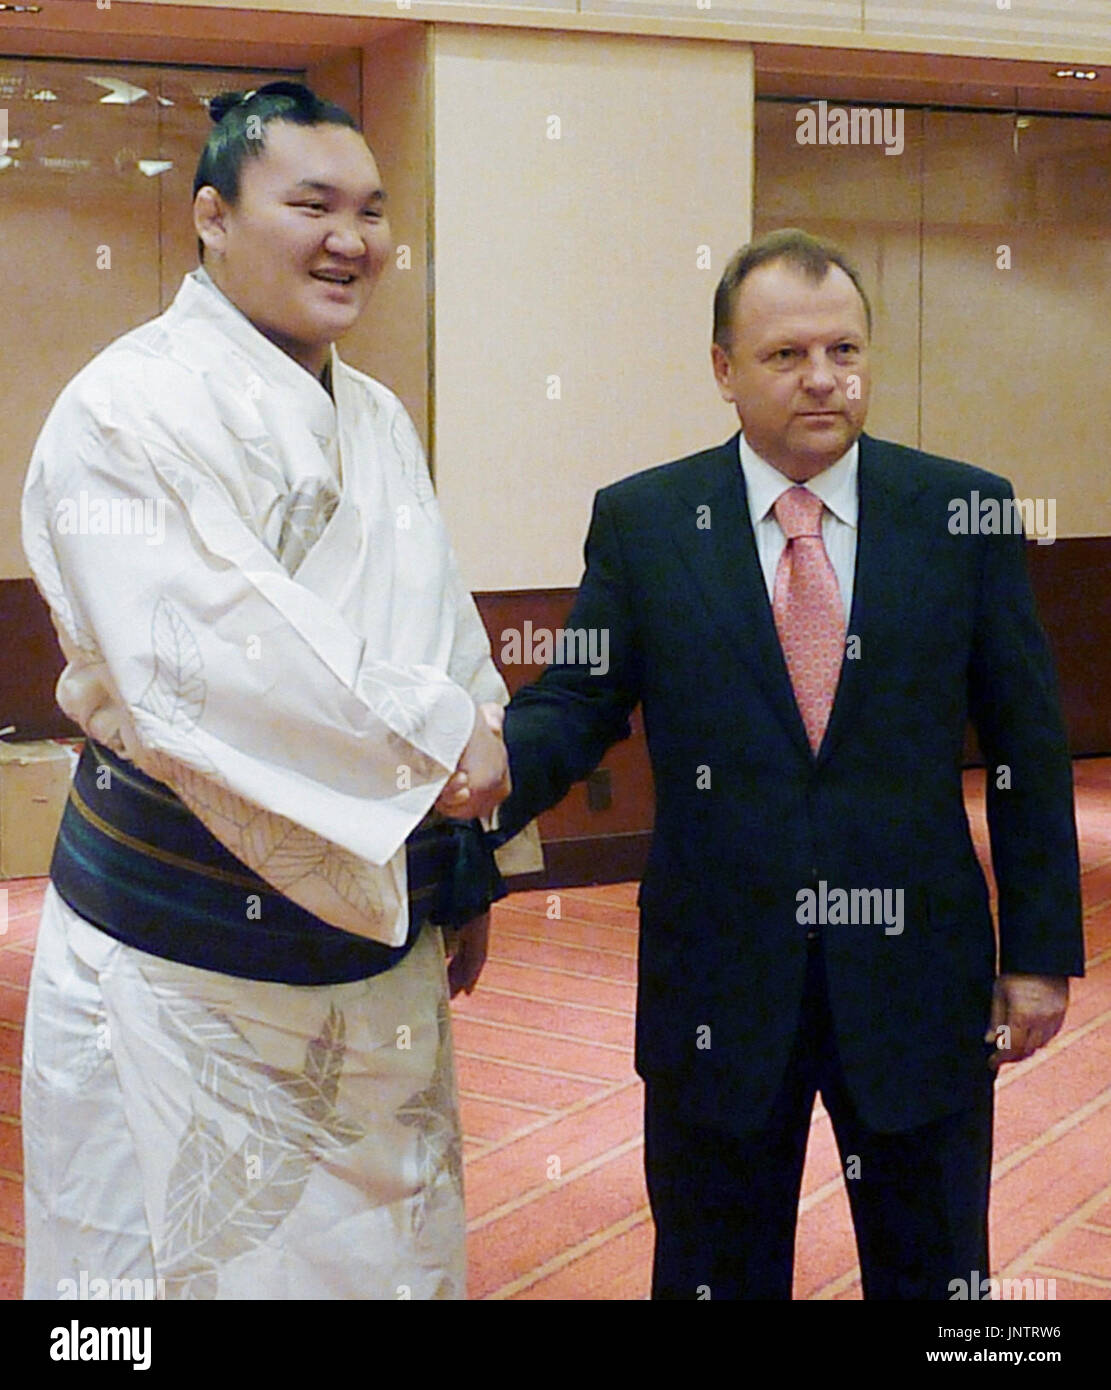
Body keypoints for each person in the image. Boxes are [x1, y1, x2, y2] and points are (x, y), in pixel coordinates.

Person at [490, 227, 1085, 1300]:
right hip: (718, 978)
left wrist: (1041, 952)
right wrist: (473, 782)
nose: (823, 378)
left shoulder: (962, 509)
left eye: (843, 350)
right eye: (784, 355)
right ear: (722, 367)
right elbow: (577, 701)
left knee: (939, 1272)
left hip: (916, 979)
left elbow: (1025, 747)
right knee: (715, 1269)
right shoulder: (647, 520)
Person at [20, 81, 535, 1301]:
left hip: (376, 921)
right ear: (210, 214)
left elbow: (443, 633)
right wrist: (444, 750)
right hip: (181, 938)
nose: (348, 239)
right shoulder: (123, 407)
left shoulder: (377, 415)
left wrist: (465, 862)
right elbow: (219, 667)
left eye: (368, 209)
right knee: (154, 1255)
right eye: (309, 204)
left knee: (385, 1250)